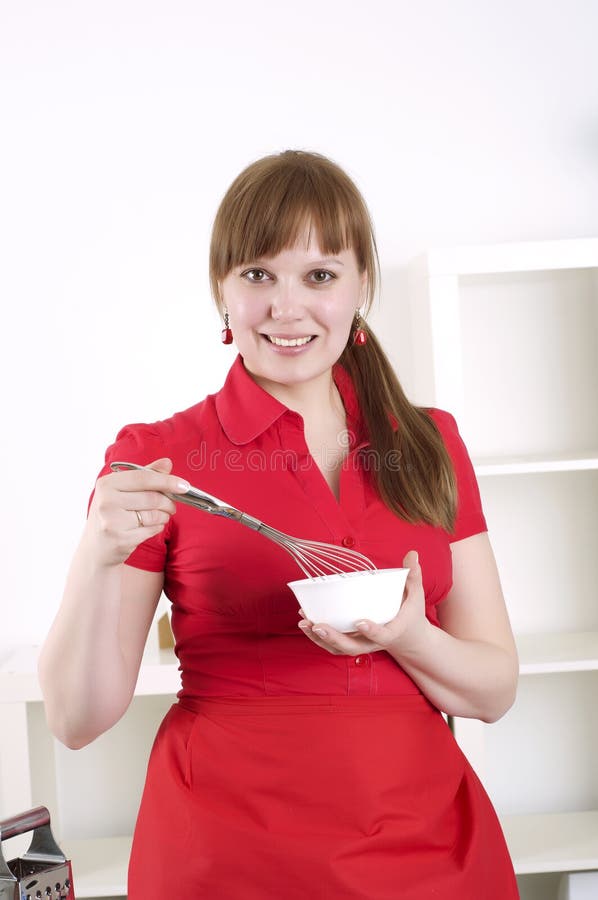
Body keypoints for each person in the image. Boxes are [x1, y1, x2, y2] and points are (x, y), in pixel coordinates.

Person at [38, 150, 520, 898]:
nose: (285, 308)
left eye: (319, 276)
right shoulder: (158, 457)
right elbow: (75, 719)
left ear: (361, 287)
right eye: (258, 275)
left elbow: (492, 691)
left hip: (429, 853)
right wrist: (98, 554)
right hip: (226, 858)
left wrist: (408, 635)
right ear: (222, 291)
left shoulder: (430, 443)